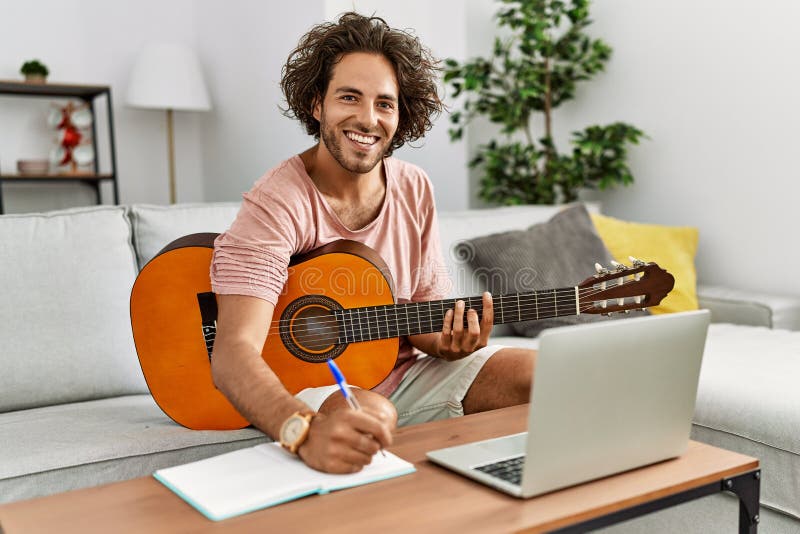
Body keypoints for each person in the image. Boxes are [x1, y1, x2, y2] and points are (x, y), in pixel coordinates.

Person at [210, 12, 536, 474]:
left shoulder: (415, 186)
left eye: (385, 103)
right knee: (371, 418)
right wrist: (299, 431)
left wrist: (451, 342)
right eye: (349, 97)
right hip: (307, 387)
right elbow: (232, 353)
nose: (368, 118)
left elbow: (424, 312)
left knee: (542, 375)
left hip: (403, 375)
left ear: (401, 115)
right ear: (316, 103)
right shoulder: (277, 202)